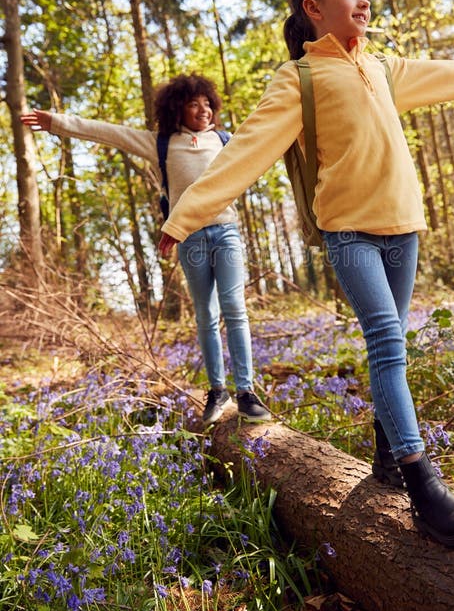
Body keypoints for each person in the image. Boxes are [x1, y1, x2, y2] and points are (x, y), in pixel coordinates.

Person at [158, 0, 454, 547]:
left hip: (403, 226)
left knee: (395, 339)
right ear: (314, 8)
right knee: (386, 340)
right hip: (348, 231)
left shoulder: (383, 67)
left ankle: (385, 454)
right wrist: (184, 218)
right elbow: (243, 154)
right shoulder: (299, 78)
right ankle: (421, 487)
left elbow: (449, 74)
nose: (363, 2)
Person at [21, 73, 271, 424]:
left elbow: (268, 140)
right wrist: (57, 122)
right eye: (193, 104)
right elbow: (108, 132)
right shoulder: (162, 144)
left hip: (226, 232)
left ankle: (247, 393)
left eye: (207, 104)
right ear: (177, 110)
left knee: (234, 307)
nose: (203, 110)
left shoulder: (226, 140)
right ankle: (218, 391)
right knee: (206, 316)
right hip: (190, 239)